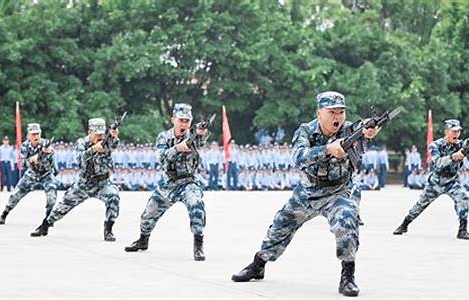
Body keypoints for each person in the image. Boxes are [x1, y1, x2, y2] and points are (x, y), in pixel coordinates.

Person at [230, 91, 379, 297]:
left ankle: (348, 276)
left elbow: (361, 133)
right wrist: (327, 149)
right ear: (319, 113)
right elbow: (298, 158)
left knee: (346, 220)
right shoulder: (306, 131)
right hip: (309, 191)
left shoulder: (349, 129)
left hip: (340, 190)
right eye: (332, 112)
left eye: (341, 112)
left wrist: (368, 132)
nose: (338, 117)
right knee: (281, 224)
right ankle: (258, 264)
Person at [124, 103, 209, 261]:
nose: (184, 124)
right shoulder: (163, 137)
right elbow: (161, 158)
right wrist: (178, 148)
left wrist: (201, 133)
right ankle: (143, 240)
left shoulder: (193, 135)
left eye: (187, 121)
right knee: (148, 214)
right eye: (181, 120)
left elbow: (201, 141)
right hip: (167, 183)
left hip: (187, 182)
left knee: (196, 205)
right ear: (173, 120)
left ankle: (198, 245)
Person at [30, 118, 120, 241]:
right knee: (64, 205)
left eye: (102, 134)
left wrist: (114, 136)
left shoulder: (106, 140)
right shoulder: (81, 143)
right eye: (97, 134)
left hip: (103, 183)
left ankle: (108, 230)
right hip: (84, 183)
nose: (100, 137)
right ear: (89, 132)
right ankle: (45, 225)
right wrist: (93, 149)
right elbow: (79, 160)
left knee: (113, 197)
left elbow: (114, 144)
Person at [393, 119, 469, 240]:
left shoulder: (461, 145)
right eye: (453, 131)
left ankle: (463, 230)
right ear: (446, 131)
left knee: (464, 198)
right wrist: (453, 157)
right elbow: (438, 163)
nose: (456, 134)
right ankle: (405, 224)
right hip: (436, 181)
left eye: (458, 132)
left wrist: (465, 151)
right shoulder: (435, 145)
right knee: (420, 204)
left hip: (453, 181)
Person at [0, 124, 57, 225]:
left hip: (46, 173)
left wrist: (47, 153)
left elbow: (51, 160)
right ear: (28, 136)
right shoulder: (25, 146)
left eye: (37, 134)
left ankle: (48, 218)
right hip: (32, 173)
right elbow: (23, 163)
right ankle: (5, 213)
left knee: (52, 196)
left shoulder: (46, 144)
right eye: (33, 134)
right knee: (16, 194)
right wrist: (32, 160)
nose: (36, 136)